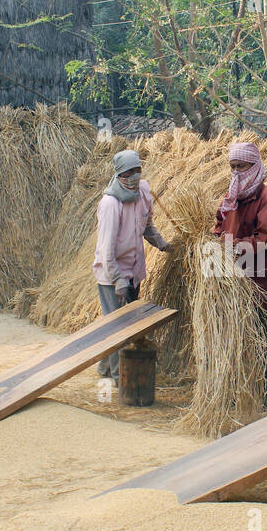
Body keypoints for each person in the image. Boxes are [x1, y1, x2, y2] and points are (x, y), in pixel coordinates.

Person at [213, 141, 267, 407]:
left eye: (240, 166)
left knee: (262, 338)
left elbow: (263, 240)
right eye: (232, 167)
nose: (236, 173)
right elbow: (219, 224)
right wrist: (214, 239)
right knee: (236, 339)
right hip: (232, 282)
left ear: (254, 166)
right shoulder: (231, 197)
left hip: (259, 282)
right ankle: (238, 395)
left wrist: (230, 247)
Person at [93, 148, 172, 380]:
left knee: (122, 324)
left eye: (137, 170)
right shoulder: (110, 203)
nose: (134, 176)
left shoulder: (143, 192)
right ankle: (119, 377)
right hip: (112, 275)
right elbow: (106, 249)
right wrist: (117, 280)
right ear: (119, 174)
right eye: (129, 172)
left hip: (133, 272)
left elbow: (147, 227)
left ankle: (104, 368)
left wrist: (163, 244)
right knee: (119, 328)